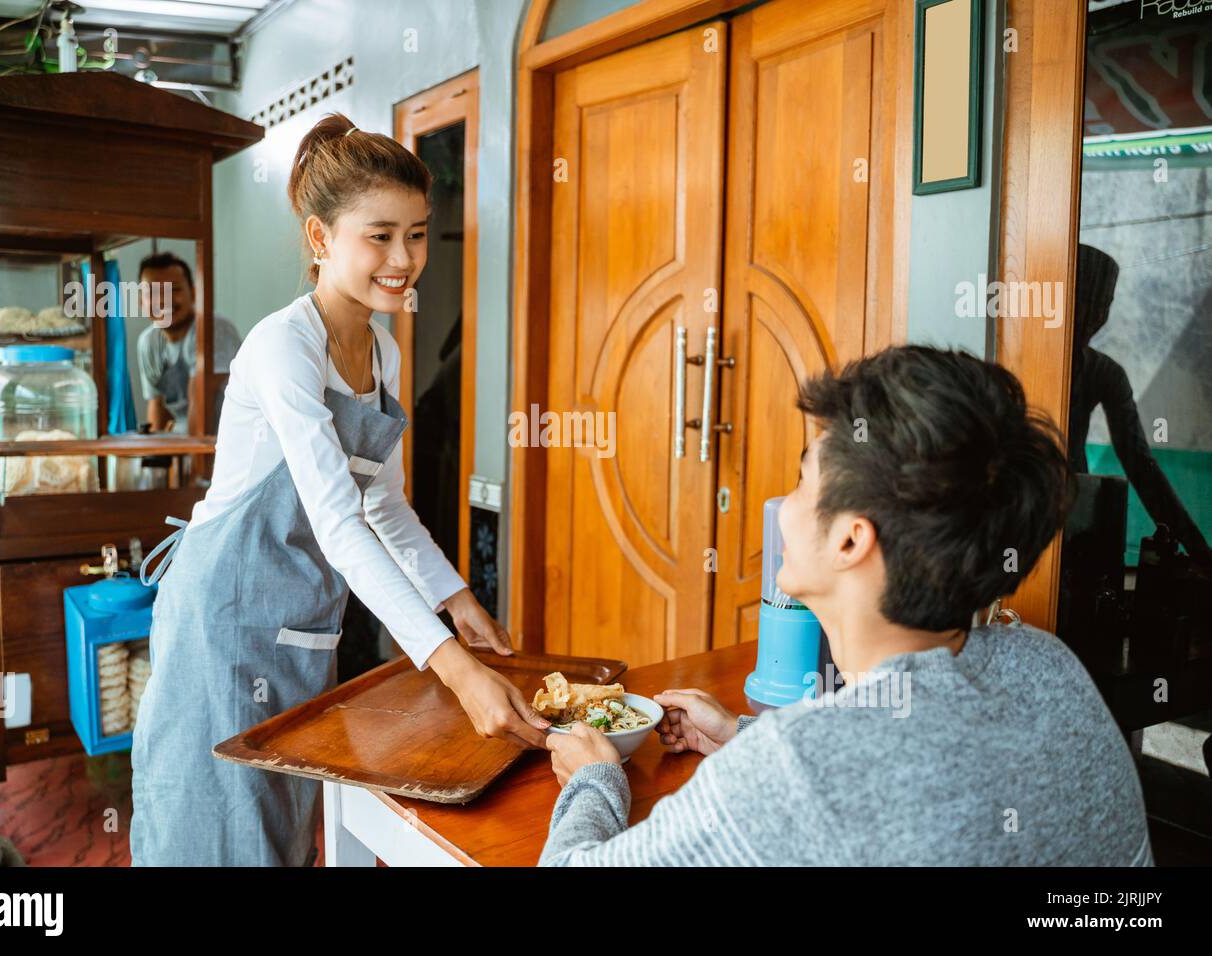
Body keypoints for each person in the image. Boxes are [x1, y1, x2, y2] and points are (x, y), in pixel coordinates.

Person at [540, 345, 1153, 866]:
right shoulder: (1048, 667)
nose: (785, 503)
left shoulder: (800, 770)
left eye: (804, 480)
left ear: (851, 539)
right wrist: (745, 737)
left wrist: (598, 780)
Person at [130, 114, 550, 866]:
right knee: (220, 831)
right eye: (379, 235)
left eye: (417, 234)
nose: (404, 258)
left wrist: (458, 603)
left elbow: (383, 505)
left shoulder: (382, 350)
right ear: (322, 239)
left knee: (287, 824)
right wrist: (454, 668)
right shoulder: (281, 346)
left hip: (299, 624)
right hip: (222, 624)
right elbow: (337, 523)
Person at [1067, 244, 1210, 562]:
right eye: (1087, 303)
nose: (1096, 318)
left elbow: (1140, 466)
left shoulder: (1105, 373)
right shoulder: (1028, 365)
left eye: (1104, 306)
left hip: (1071, 511)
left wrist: (1198, 551)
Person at [136, 251, 243, 433]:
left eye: (174, 289)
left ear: (194, 293)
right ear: (141, 301)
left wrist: (191, 461)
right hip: (187, 447)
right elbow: (156, 407)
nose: (163, 300)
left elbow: (200, 405)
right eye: (153, 292)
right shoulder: (148, 342)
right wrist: (154, 458)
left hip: (226, 444)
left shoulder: (212, 329)